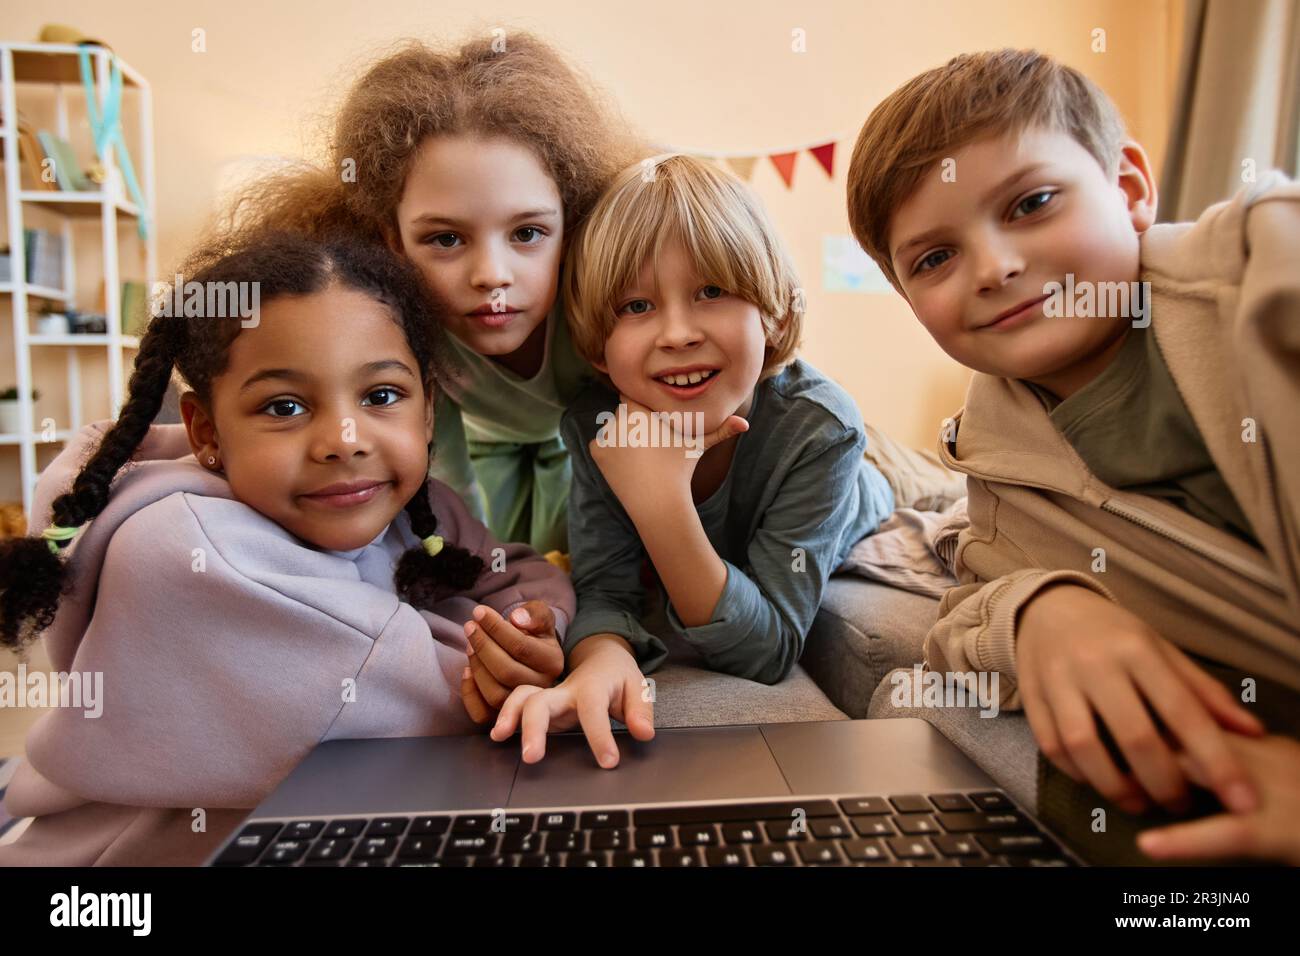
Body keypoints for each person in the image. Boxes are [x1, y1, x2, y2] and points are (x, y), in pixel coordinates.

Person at [846, 48, 1300, 864]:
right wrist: (1039, 611)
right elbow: (971, 597)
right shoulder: (995, 461)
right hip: (1235, 749)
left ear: (1129, 188)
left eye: (1032, 203)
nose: (996, 267)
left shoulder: (1272, 277)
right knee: (927, 709)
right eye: (935, 258)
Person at [0, 231, 573, 865]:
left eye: (382, 397)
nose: (344, 440)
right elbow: (433, 707)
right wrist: (510, 658)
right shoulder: (190, 553)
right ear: (206, 431)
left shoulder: (407, 503)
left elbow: (511, 569)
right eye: (285, 406)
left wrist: (533, 629)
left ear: (428, 409)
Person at [490, 155, 895, 767]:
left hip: (868, 488)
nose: (677, 333)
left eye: (711, 292)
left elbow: (767, 651)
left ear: (776, 312)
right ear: (598, 348)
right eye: (635, 306)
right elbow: (605, 586)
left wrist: (661, 506)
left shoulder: (821, 429)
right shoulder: (596, 425)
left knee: (899, 478)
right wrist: (602, 652)